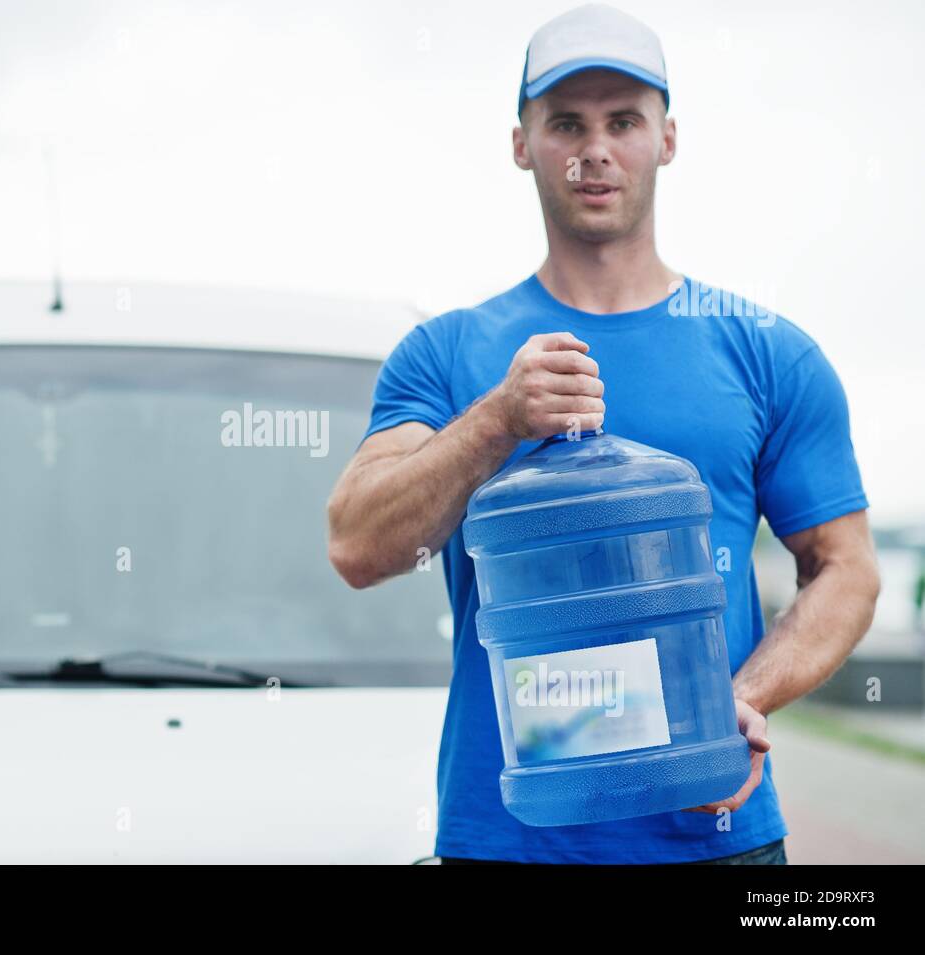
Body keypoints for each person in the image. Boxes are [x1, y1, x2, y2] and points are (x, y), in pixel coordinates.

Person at [325, 3, 880, 864]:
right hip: (509, 841)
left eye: (624, 121)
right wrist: (496, 421)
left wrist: (735, 700)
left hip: (712, 838)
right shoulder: (447, 352)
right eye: (566, 124)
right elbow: (358, 545)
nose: (596, 150)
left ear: (667, 138)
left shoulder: (766, 354)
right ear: (522, 143)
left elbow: (847, 569)